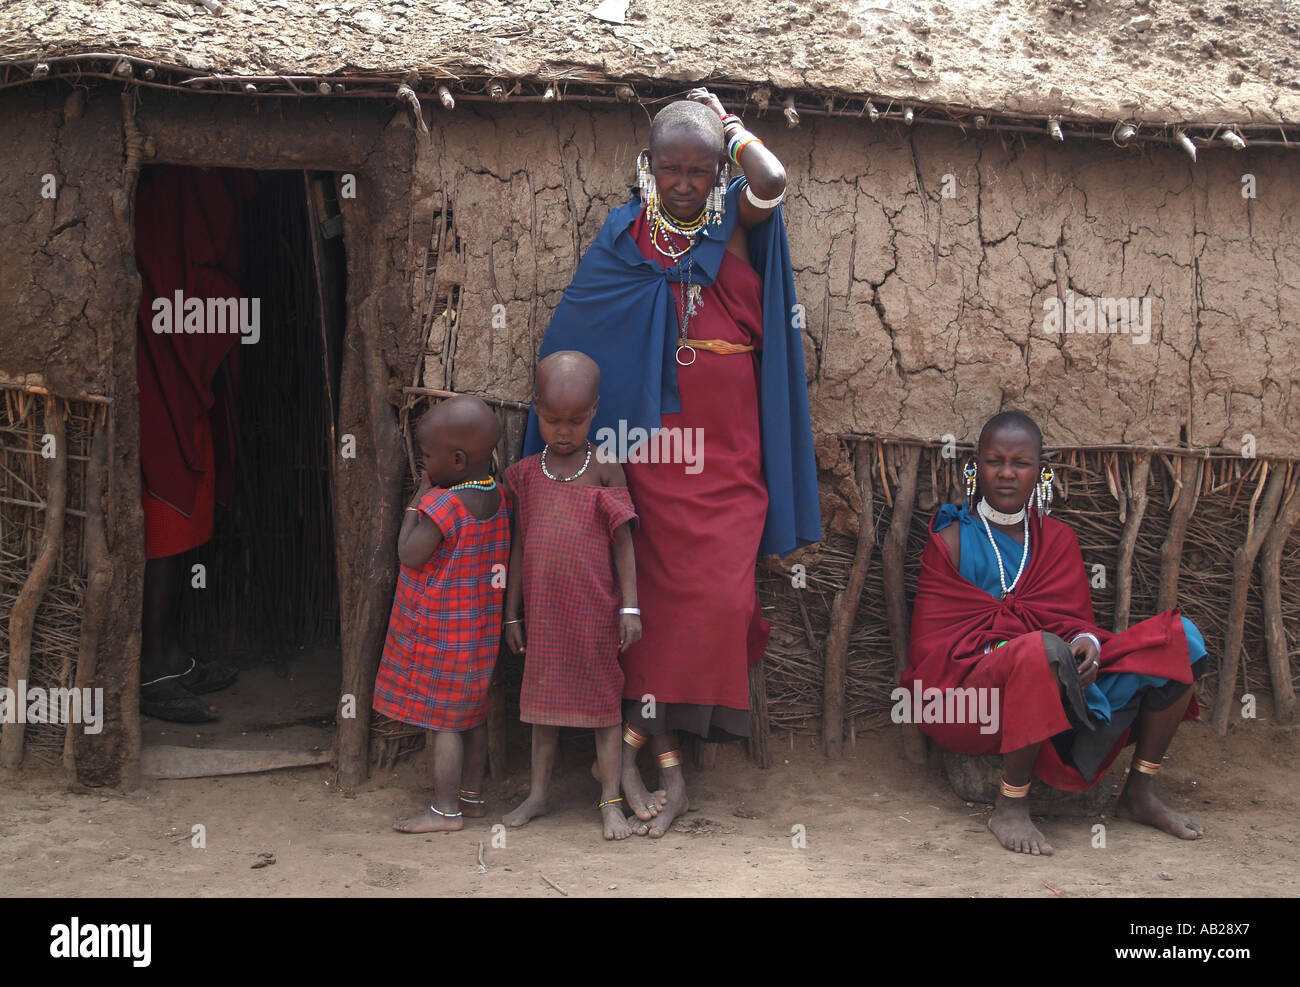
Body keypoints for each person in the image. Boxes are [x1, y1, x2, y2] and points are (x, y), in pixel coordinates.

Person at [524, 89, 821, 837]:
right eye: (670, 169)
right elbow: (580, 333)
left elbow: (774, 181)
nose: (684, 182)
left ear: (717, 170)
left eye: (699, 169)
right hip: (647, 451)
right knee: (640, 612)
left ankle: (625, 751)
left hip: (726, 452)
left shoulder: (736, 221)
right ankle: (654, 765)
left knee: (720, 602)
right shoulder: (624, 236)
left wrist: (732, 130)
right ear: (648, 167)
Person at [905, 410, 1207, 855]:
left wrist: (1087, 646)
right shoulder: (949, 541)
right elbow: (931, 649)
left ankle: (1140, 794)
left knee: (1183, 639)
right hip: (971, 700)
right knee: (1036, 651)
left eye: (1021, 463)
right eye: (995, 461)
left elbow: (1074, 624)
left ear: (1039, 472)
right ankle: (1010, 806)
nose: (1007, 473)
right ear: (976, 468)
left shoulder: (1058, 539)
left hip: (1061, 684)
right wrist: (1020, 651)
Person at [501, 351, 642, 840]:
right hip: (544, 616)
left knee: (605, 708)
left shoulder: (605, 470)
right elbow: (519, 545)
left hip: (596, 613)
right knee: (542, 710)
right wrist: (511, 614)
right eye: (552, 419)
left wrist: (629, 606)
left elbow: (624, 544)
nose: (563, 431)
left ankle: (610, 803)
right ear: (535, 408)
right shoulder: (523, 475)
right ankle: (538, 795)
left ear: (595, 410)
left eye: (576, 421)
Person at [136, 166, 257, 722]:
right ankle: (152, 671)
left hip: (185, 383)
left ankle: (174, 657)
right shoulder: (172, 197)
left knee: (187, 525)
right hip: (158, 378)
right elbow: (188, 283)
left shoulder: (200, 191)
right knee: (164, 520)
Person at [373, 396, 512, 834]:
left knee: (445, 725)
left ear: (456, 460)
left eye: (427, 457)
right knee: (472, 716)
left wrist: (418, 501)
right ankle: (471, 798)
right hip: (480, 634)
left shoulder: (442, 506)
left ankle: (445, 810)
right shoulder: (500, 498)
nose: (424, 463)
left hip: (441, 635)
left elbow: (409, 555)